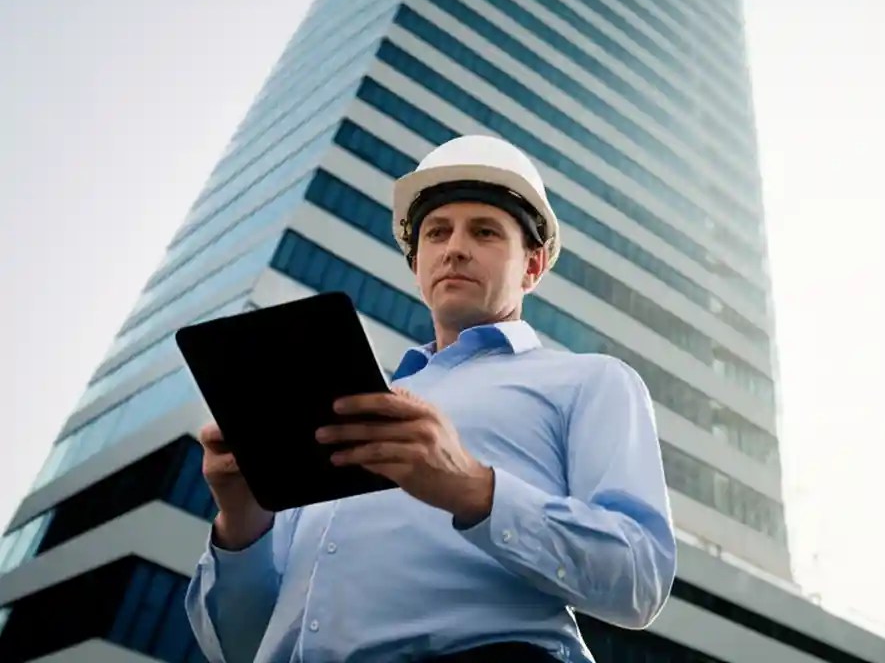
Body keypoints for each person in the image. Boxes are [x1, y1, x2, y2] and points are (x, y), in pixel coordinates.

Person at [185, 134, 677, 662]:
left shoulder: (589, 381)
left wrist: (475, 490)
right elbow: (240, 648)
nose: (455, 248)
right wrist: (241, 519)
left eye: (484, 232)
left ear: (532, 267)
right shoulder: (342, 412)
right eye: (437, 232)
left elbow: (640, 578)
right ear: (418, 264)